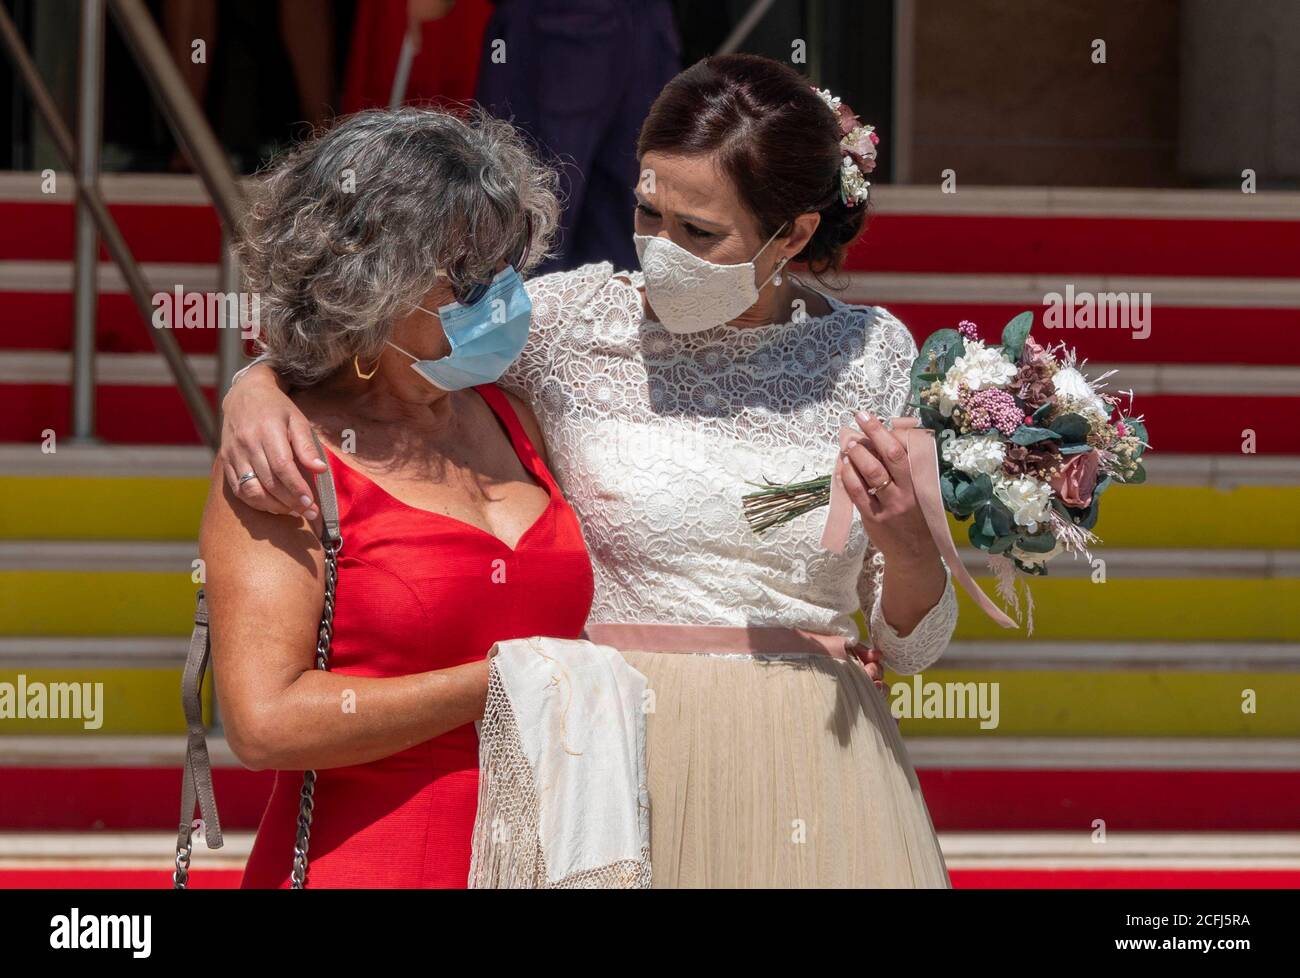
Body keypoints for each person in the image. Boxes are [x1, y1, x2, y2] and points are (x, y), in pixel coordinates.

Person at [222, 54, 955, 887]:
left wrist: (911, 544)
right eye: (647, 213)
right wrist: (256, 386)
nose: (660, 250)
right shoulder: (567, 324)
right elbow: (389, 340)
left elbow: (912, 644)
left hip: (810, 755)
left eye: (699, 233)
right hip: (601, 749)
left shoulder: (873, 353)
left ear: (793, 234)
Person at [201, 107, 593, 888]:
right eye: (469, 273)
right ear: (369, 284)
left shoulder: (520, 413)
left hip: (555, 858)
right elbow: (264, 722)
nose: (502, 295)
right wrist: (504, 686)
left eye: (508, 263)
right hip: (374, 862)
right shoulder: (287, 456)